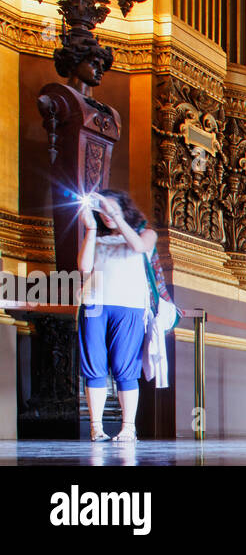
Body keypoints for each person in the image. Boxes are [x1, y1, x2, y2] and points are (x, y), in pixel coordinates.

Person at [77, 189, 158, 443]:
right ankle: (97, 427)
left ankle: (127, 428)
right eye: (102, 210)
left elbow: (139, 247)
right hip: (94, 304)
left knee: (125, 368)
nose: (107, 215)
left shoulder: (146, 233)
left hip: (129, 306)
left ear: (124, 208)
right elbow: (84, 267)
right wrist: (90, 228)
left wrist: (118, 219)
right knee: (94, 366)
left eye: (112, 209)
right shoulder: (97, 237)